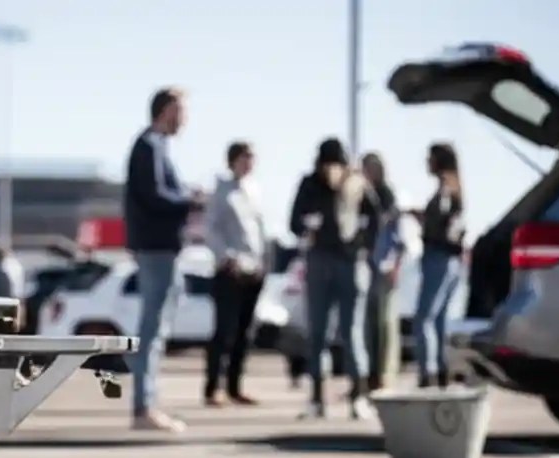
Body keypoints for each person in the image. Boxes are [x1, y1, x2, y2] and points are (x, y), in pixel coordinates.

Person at [123, 86, 204, 432]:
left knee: (160, 322)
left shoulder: (157, 148)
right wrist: (190, 200)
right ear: (166, 110)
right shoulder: (148, 147)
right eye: (181, 111)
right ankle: (143, 407)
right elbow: (153, 196)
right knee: (152, 328)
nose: (184, 119)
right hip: (155, 248)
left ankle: (147, 402)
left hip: (164, 248)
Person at [288, 137, 379, 420]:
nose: (332, 171)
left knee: (352, 332)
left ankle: (358, 395)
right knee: (317, 333)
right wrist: (307, 228)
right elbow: (294, 221)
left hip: (350, 263)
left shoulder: (357, 185)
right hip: (319, 260)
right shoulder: (310, 185)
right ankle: (317, 398)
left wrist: (363, 245)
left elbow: (377, 218)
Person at [202, 141, 271, 406]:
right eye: (245, 158)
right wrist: (225, 257)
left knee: (245, 331)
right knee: (225, 330)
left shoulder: (255, 191)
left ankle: (235, 384)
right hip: (230, 270)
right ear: (233, 160)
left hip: (254, 268)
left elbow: (261, 229)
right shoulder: (222, 191)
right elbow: (211, 228)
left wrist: (265, 260)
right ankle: (212, 386)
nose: (249, 163)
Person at [408, 142, 467, 388]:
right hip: (451, 260)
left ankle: (428, 373)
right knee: (439, 319)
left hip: (439, 257)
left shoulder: (445, 187)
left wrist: (425, 222)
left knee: (424, 319)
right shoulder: (455, 186)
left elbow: (443, 220)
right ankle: (441, 369)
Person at [361, 152, 405, 392]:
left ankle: (385, 374)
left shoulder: (387, 199)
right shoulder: (362, 198)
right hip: (366, 265)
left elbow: (398, 238)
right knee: (368, 323)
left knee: (386, 323)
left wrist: (395, 265)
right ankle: (369, 373)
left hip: (385, 266)